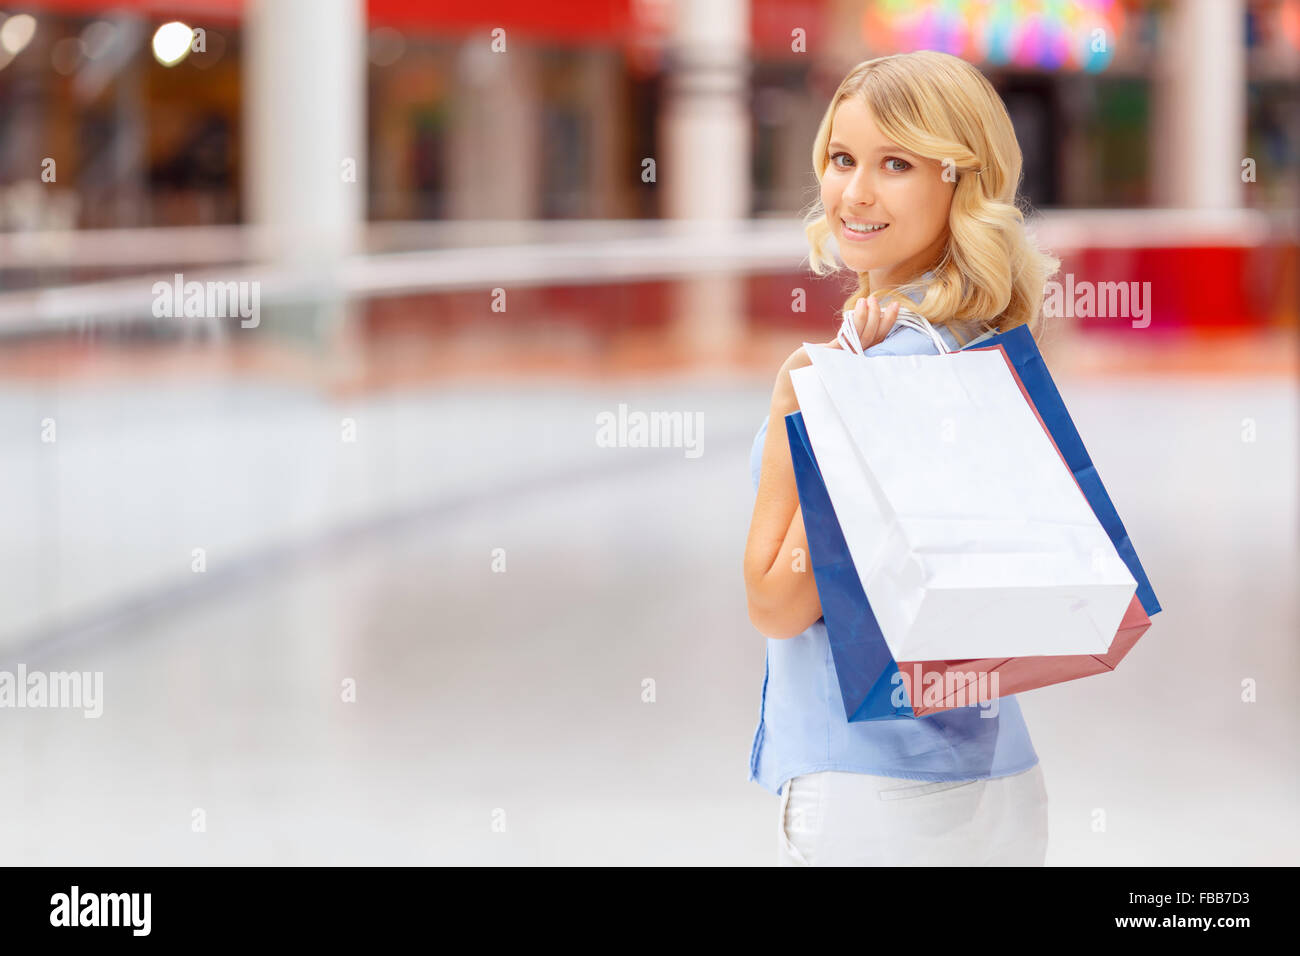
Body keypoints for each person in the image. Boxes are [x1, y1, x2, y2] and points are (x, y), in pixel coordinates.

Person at [742, 50, 1061, 867]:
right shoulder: (982, 353)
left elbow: (781, 598)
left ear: (960, 181)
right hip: (1000, 776)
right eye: (843, 159)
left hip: (877, 801)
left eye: (897, 164)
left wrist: (794, 406)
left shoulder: (874, 378)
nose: (854, 193)